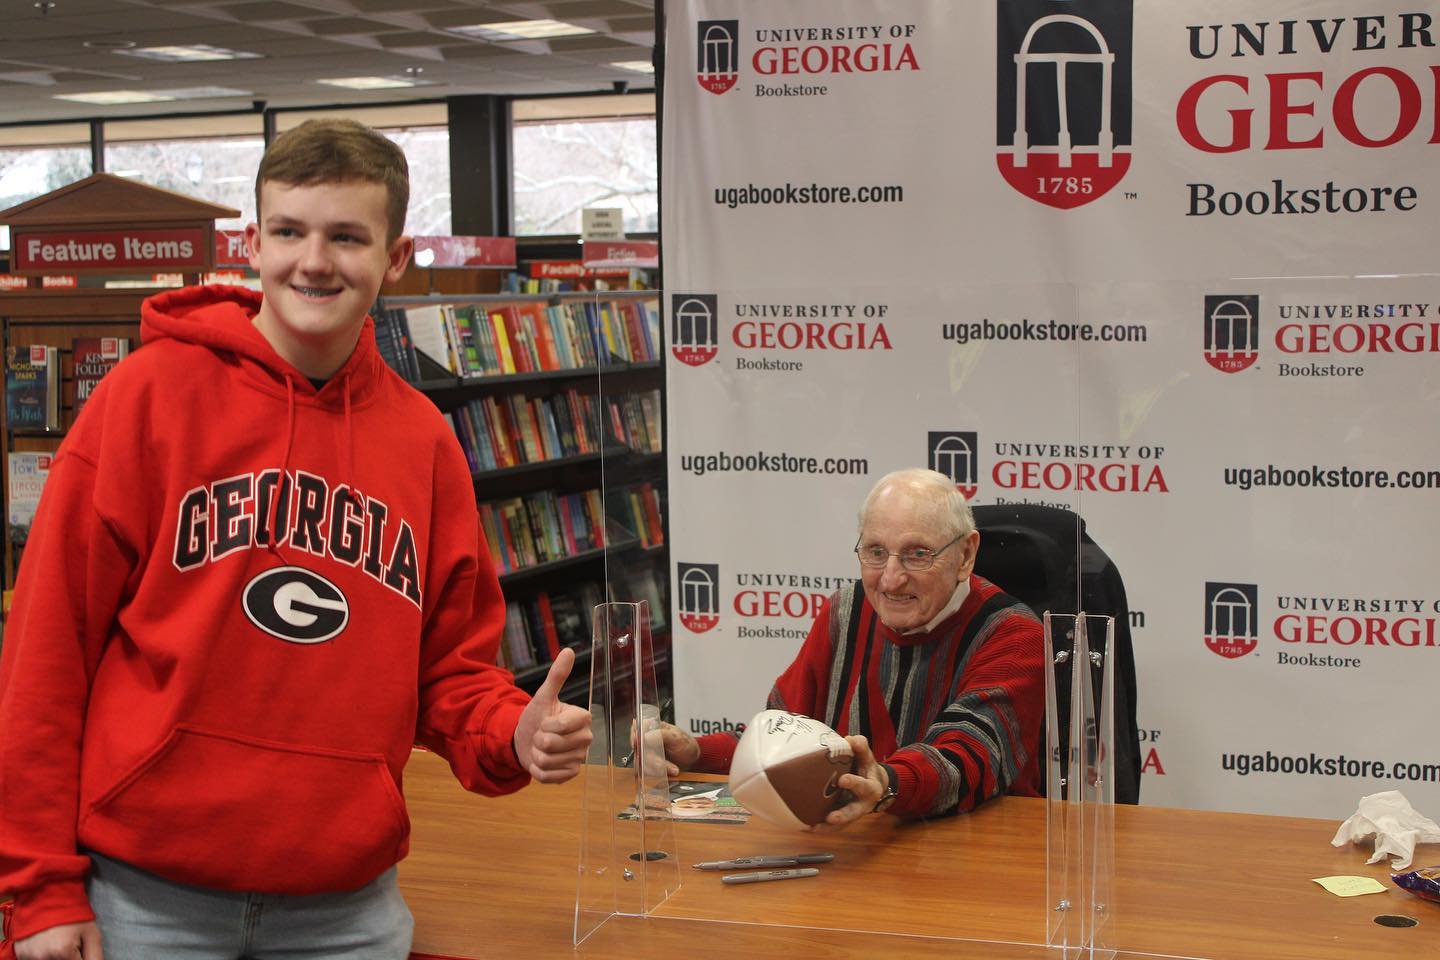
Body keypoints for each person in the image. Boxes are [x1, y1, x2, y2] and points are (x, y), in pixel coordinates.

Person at [0, 118, 592, 960]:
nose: (313, 261)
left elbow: (451, 668)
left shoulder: (423, 442)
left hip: (346, 912)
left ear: (395, 257)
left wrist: (511, 732)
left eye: (346, 236)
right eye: (289, 232)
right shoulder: (144, 399)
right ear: (252, 243)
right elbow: (46, 655)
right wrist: (39, 889)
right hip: (144, 900)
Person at [659, 468, 1044, 825]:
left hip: (976, 848)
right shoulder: (845, 612)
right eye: (876, 552)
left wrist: (886, 782)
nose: (890, 580)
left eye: (917, 554)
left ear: (966, 555)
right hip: (858, 847)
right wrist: (696, 753)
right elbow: (781, 737)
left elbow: (964, 759)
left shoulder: (1013, 634)